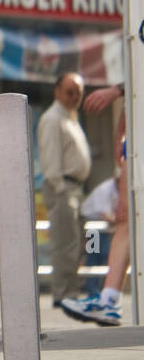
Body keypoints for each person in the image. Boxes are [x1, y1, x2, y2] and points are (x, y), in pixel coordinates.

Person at [61, 82, 129, 325]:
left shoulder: (113, 185)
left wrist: (117, 91)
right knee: (94, 256)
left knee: (109, 244)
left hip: (100, 225)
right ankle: (100, 294)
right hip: (94, 225)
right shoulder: (108, 187)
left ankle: (103, 296)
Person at [36, 72, 92, 309]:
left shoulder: (70, 116)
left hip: (75, 188)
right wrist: (60, 189)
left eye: (78, 93)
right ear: (57, 92)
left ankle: (70, 291)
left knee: (77, 241)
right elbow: (50, 162)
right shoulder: (53, 118)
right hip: (63, 187)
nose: (74, 97)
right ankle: (63, 293)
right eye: (70, 92)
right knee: (65, 242)